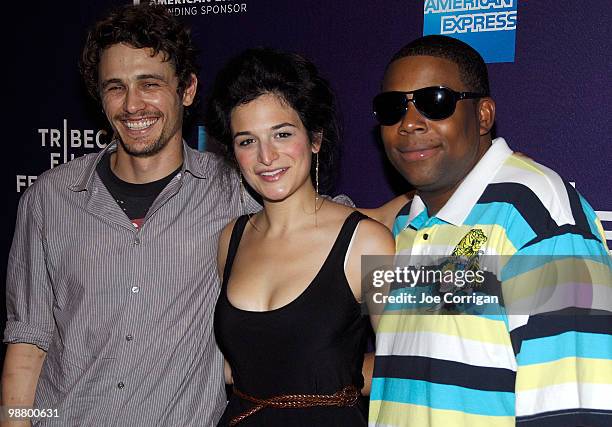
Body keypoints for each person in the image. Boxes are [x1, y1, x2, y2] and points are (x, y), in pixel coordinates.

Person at [2, 5, 258, 426]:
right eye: (115, 87)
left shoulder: (233, 191)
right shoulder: (50, 197)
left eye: (150, 84)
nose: (132, 105)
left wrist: (402, 209)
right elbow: (29, 343)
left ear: (188, 89)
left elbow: (320, 226)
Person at [367, 35, 612, 426]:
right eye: (392, 108)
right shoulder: (405, 226)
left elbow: (576, 403)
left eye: (435, 101)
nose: (410, 123)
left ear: (483, 115)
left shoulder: (538, 215)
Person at [204, 48, 395, 426]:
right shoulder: (231, 239)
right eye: (247, 141)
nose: (266, 156)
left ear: (315, 139)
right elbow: (235, 365)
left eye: (282, 134)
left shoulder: (366, 243)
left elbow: (402, 364)